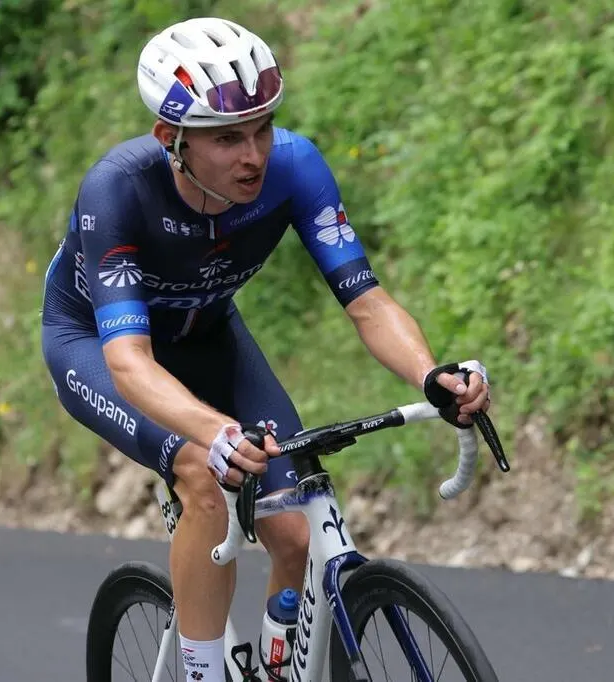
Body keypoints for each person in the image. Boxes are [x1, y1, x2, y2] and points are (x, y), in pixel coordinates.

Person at [40, 16, 491, 682]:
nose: (253, 154)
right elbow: (130, 362)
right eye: (227, 138)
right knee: (201, 471)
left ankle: (278, 667)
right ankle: (202, 674)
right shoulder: (119, 188)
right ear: (172, 141)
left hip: (211, 336)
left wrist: (430, 376)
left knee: (296, 533)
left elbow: (367, 303)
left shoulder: (295, 166)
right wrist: (217, 431)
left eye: (262, 127)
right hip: (100, 347)